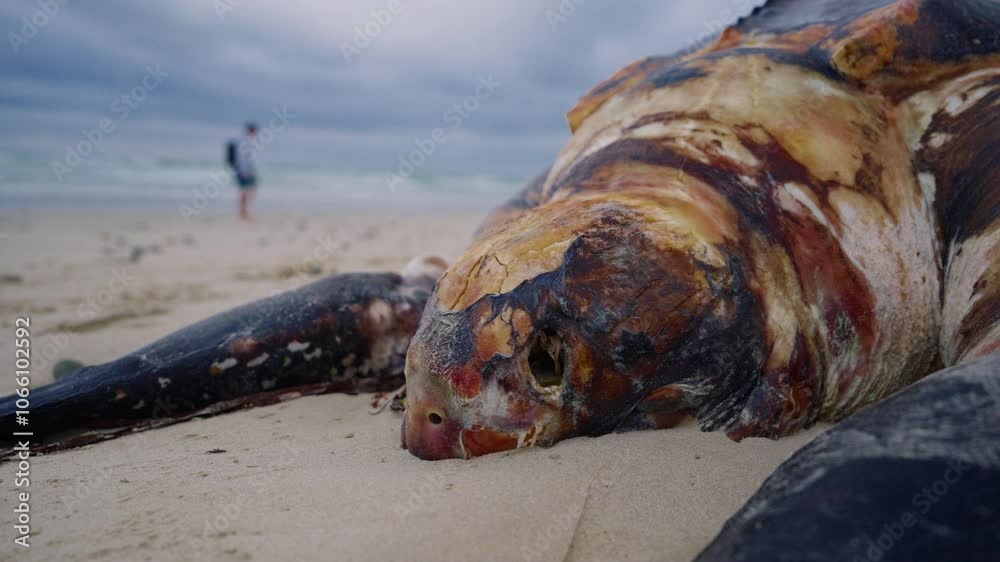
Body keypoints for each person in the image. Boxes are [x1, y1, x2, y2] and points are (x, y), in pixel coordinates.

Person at [233, 122, 258, 220]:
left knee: (246, 190)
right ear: (252, 130)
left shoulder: (245, 140)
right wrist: (244, 171)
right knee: (246, 190)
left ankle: (243, 211)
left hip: (243, 170)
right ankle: (243, 211)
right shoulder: (245, 141)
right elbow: (241, 158)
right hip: (243, 170)